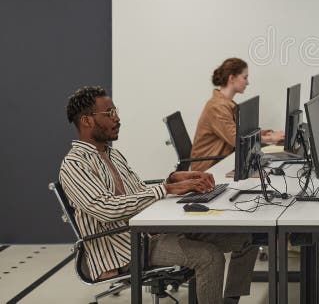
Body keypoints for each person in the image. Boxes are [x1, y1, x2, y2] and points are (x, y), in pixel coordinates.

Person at [59, 86, 258, 304]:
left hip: (149, 233)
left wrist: (171, 181)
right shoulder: (74, 164)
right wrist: (165, 190)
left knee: (245, 238)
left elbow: (137, 192)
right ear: (87, 121)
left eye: (116, 111)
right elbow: (107, 209)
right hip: (126, 249)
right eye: (109, 114)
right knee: (209, 257)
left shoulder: (112, 153)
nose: (117, 119)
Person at [190, 57, 284, 172]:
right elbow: (237, 139)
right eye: (245, 77)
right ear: (232, 78)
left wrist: (267, 133)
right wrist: (269, 138)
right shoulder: (217, 107)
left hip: (222, 161)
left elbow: (241, 132)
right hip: (208, 168)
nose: (247, 82)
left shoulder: (226, 103)